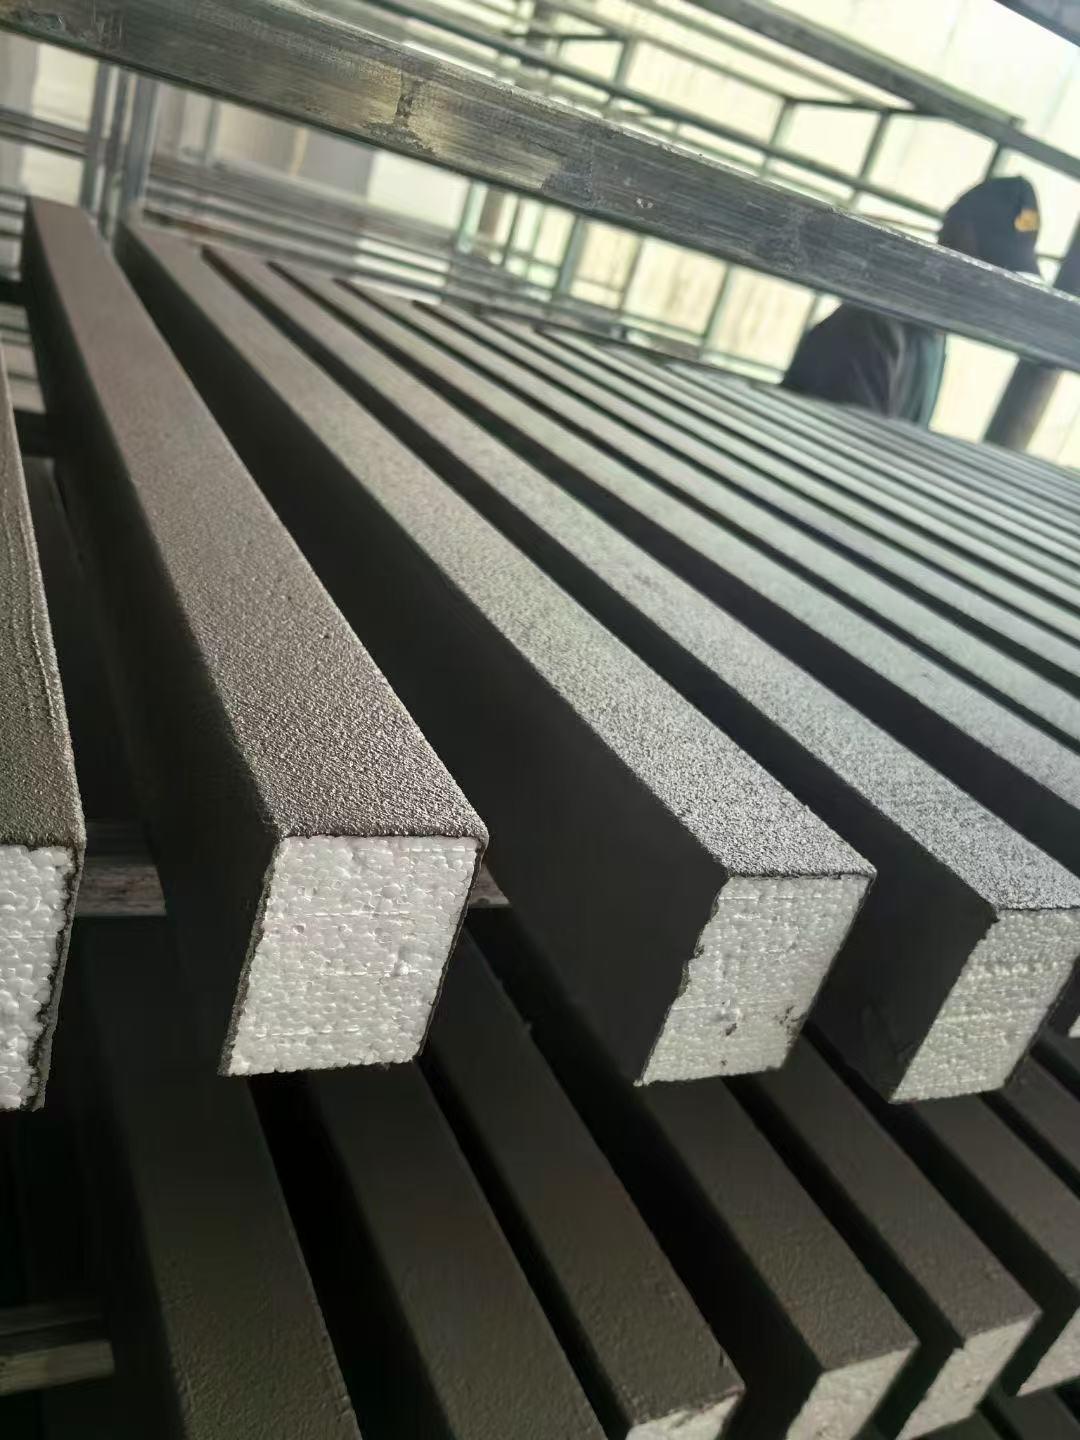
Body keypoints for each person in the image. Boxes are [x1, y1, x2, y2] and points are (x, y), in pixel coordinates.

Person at [781, 175, 1042, 425]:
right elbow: (845, 448)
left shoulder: (932, 335)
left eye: (1007, 273)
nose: (997, 288)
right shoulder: (873, 328)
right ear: (957, 234)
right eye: (993, 265)